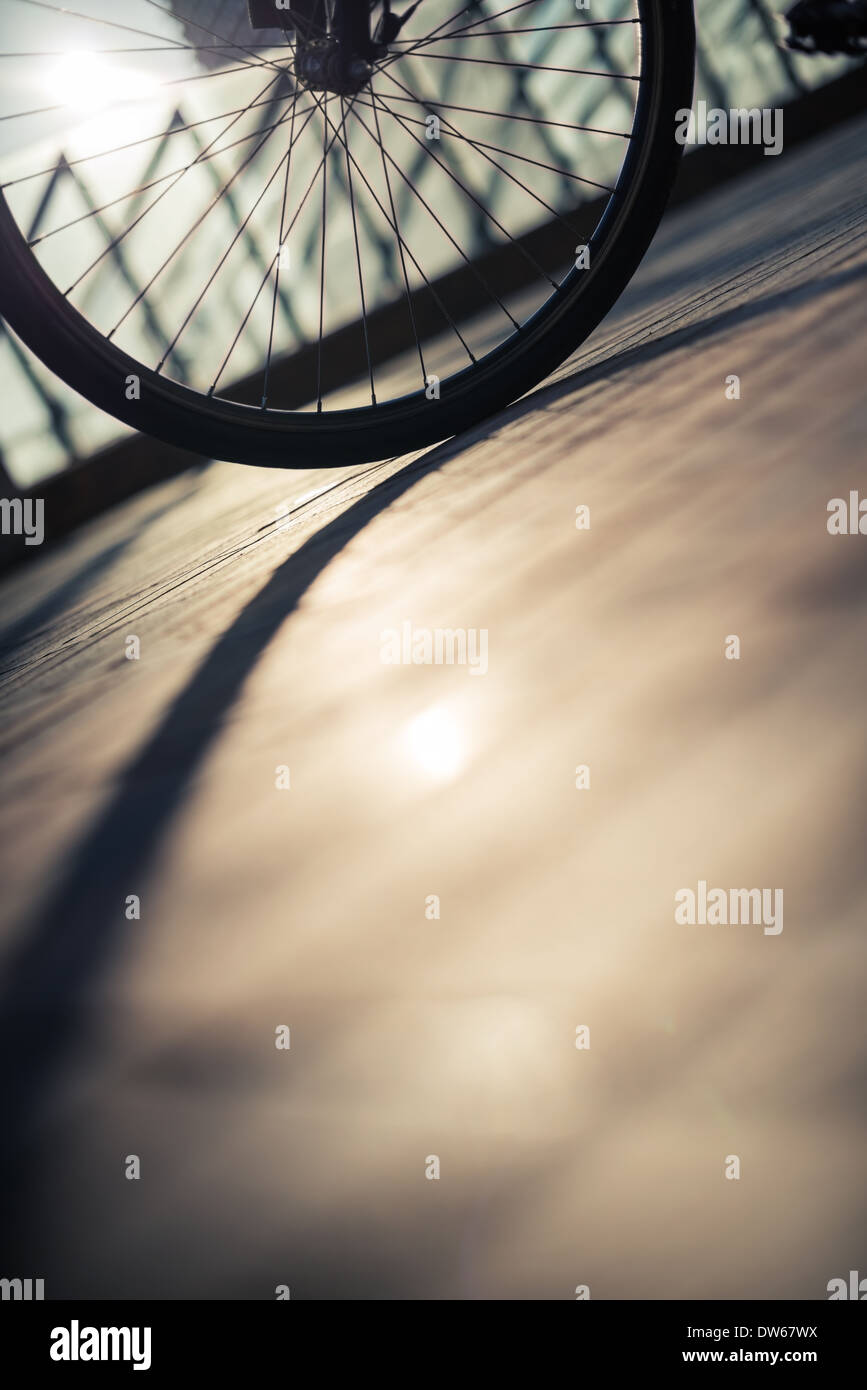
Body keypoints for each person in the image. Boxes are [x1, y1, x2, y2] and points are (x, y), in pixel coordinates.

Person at [783, 0, 867, 53]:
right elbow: (846, 48)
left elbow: (847, 48)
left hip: (857, 21)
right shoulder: (821, 41)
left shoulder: (821, 41)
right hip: (857, 19)